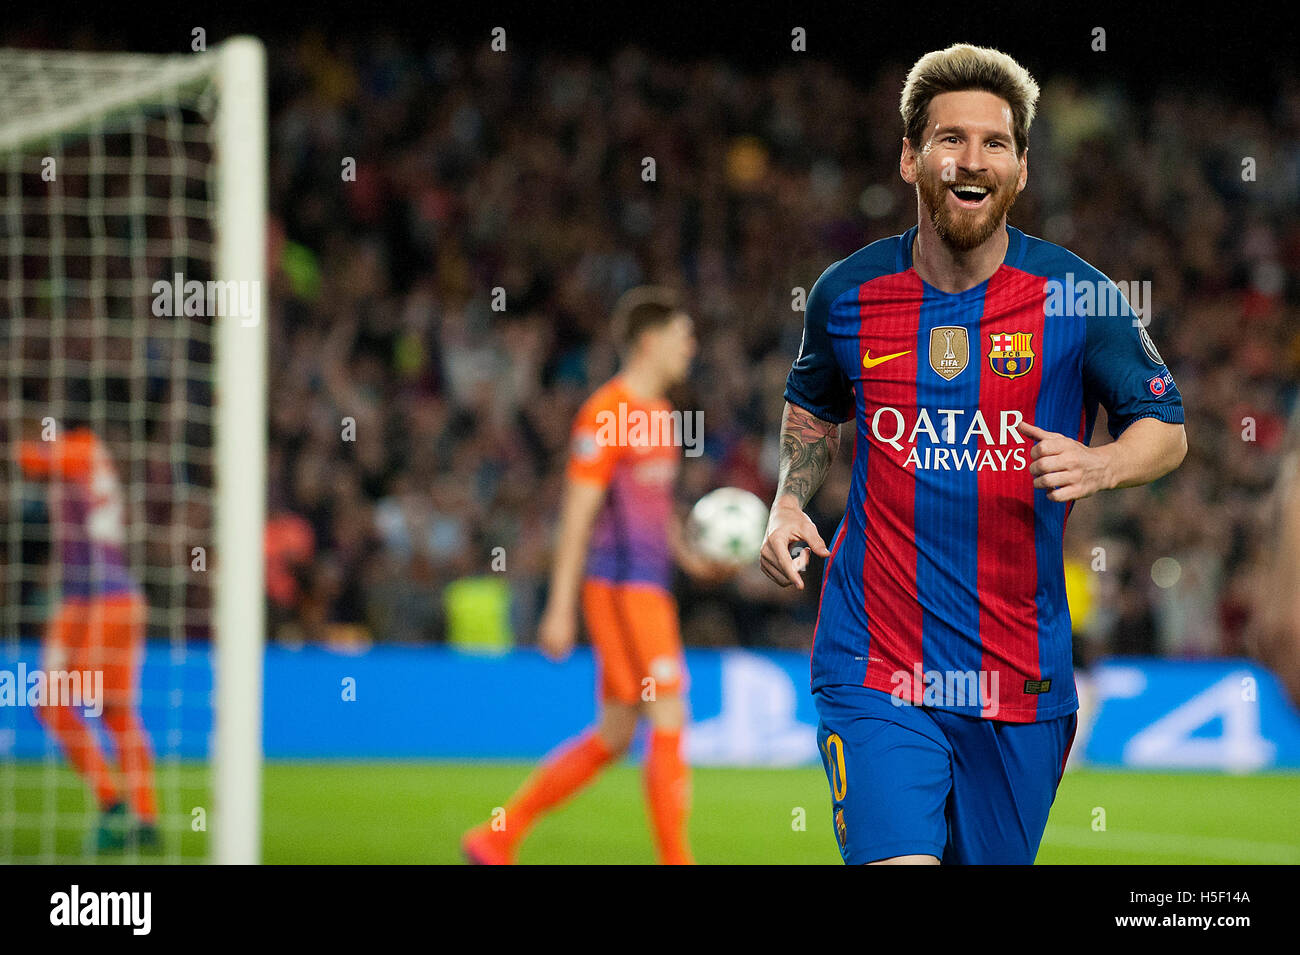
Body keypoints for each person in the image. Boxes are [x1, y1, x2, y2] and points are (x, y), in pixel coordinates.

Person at [760, 44, 1187, 864]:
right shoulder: (846, 294)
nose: (972, 159)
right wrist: (787, 499)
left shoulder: (1079, 297)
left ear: (1022, 168)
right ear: (910, 157)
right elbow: (813, 405)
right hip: (875, 661)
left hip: (1019, 680)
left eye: (995, 143)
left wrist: (1100, 464)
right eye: (950, 139)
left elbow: (1166, 428)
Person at [462, 286, 732, 865]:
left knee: (614, 736)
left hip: (651, 585)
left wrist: (692, 559)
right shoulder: (605, 414)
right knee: (669, 713)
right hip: (618, 590)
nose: (691, 347)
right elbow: (577, 516)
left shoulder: (662, 416)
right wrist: (560, 609)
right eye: (683, 336)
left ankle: (497, 837)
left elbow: (655, 517)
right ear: (649, 341)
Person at [18, 423, 159, 853]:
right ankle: (144, 818)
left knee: (54, 700)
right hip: (115, 600)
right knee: (116, 713)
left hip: (96, 603)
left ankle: (113, 803)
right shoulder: (88, 461)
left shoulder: (82, 448)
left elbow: (31, 460)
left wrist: (19, 443)